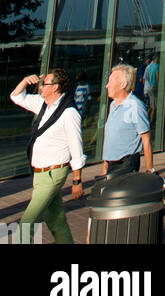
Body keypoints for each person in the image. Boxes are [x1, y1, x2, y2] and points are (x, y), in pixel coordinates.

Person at [9, 68, 85, 244]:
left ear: (56, 87)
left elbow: (76, 146)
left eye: (45, 84)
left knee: (26, 223)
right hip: (40, 173)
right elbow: (16, 97)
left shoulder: (69, 112)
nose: (41, 86)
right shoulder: (43, 104)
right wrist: (25, 81)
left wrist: (77, 180)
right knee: (56, 221)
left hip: (53, 173)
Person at [101, 64, 155, 176]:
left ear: (123, 84)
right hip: (111, 165)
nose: (107, 86)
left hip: (126, 165)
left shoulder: (135, 106)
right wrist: (105, 166)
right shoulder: (113, 105)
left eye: (111, 81)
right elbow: (110, 137)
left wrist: (150, 170)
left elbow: (146, 139)